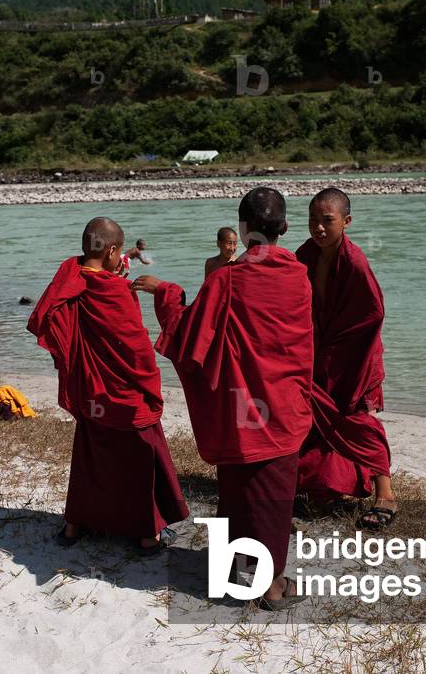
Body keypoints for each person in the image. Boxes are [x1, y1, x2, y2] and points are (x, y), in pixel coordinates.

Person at [133, 188, 313, 610]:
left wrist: (166, 293)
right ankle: (270, 587)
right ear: (285, 228)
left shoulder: (226, 280)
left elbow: (191, 335)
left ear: (244, 229)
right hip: (282, 403)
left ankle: (232, 565)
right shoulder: (298, 277)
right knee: (273, 495)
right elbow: (299, 343)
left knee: (235, 486)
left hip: (238, 404)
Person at [27, 218, 188, 555]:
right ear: (114, 251)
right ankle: (147, 535)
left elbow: (54, 325)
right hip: (124, 393)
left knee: (92, 450)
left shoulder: (70, 275)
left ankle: (75, 525)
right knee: (141, 451)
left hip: (89, 388)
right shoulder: (115, 291)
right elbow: (136, 349)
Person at [294, 189, 397, 529]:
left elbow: (372, 314)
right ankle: (324, 485)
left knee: (358, 418)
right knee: (318, 420)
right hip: (320, 354)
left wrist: (339, 355)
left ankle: (386, 494)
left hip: (356, 356)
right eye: (313, 220)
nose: (319, 228)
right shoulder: (305, 254)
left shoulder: (354, 262)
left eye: (328, 221)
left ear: (346, 222)